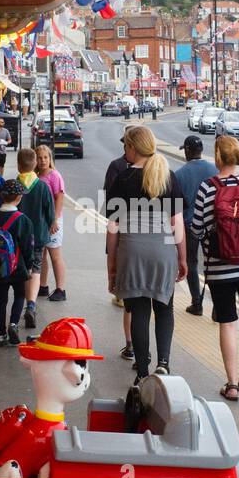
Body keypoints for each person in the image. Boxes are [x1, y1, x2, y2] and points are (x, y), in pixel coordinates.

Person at [106, 126, 187, 384]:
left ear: (133, 147)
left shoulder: (122, 178)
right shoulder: (168, 177)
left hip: (131, 252)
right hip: (163, 251)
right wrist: (182, 257)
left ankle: (142, 373)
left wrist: (112, 265)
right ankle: (163, 364)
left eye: (126, 146)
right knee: (164, 308)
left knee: (138, 311)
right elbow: (177, 223)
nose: (124, 151)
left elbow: (113, 228)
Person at [192, 135, 239, 402]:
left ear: (217, 157)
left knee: (227, 323)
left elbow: (197, 228)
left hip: (219, 269)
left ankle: (233, 384)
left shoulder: (207, 188)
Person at [0, 180, 40, 347]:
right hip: (18, 267)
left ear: (2, 196)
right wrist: (29, 266)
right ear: (19, 198)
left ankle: (1, 335)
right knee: (19, 295)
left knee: (1, 299)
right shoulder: (23, 220)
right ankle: (13, 324)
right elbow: (28, 247)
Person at [173, 134, 219, 316]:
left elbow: (175, 208)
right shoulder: (215, 170)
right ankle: (217, 308)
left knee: (191, 263)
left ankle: (197, 304)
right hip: (212, 226)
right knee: (213, 265)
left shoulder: (179, 175)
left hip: (189, 226)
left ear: (187, 151)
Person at [15, 147, 55, 328]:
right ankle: (31, 306)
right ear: (35, 164)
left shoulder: (14, 185)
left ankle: (22, 303)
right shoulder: (42, 186)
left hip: (18, 236)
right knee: (36, 270)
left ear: (18, 165)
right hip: (38, 237)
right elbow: (50, 213)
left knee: (22, 270)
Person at [102, 137, 134, 357]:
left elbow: (111, 205)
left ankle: (132, 346)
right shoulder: (117, 166)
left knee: (132, 302)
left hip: (125, 234)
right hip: (150, 243)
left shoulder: (118, 168)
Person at [34, 145, 68, 302]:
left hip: (52, 220)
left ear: (50, 159)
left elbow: (59, 198)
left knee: (55, 254)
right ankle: (42, 286)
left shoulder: (54, 176)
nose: (42, 161)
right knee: (41, 256)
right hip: (39, 221)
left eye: (45, 157)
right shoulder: (36, 175)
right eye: (39, 158)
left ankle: (61, 289)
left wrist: (54, 219)